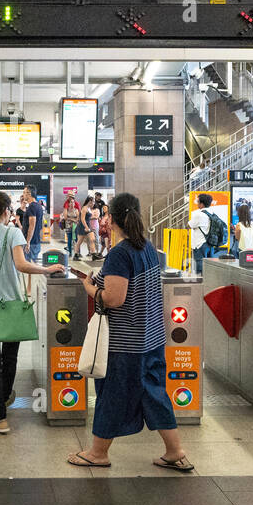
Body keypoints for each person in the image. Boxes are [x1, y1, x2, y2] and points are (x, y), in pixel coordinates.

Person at [68, 193, 192, 471]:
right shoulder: (147, 247)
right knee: (154, 394)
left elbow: (114, 299)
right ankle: (175, 451)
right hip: (152, 339)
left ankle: (98, 453)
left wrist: (90, 288)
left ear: (110, 219)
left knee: (112, 394)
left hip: (125, 344)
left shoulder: (120, 254)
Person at [0, 191, 67, 433]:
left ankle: (0, 418)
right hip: (11, 306)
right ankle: (3, 396)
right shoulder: (12, 233)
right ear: (5, 211)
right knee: (9, 358)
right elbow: (21, 265)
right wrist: (47, 269)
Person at [189, 193, 217, 276]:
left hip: (200, 244)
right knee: (209, 265)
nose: (197, 204)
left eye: (198, 202)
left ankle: (200, 285)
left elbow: (189, 225)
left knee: (199, 266)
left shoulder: (199, 215)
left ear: (201, 204)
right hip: (210, 243)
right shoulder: (212, 213)